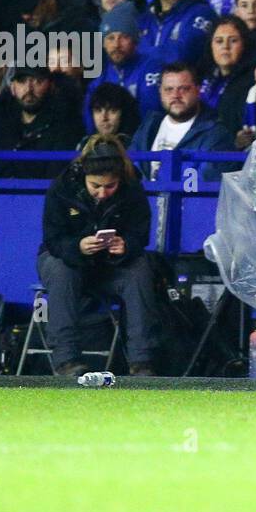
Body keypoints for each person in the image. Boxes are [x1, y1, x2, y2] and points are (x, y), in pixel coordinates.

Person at [37, 135, 159, 376]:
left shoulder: (133, 188)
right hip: (65, 260)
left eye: (110, 186)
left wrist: (126, 246)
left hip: (112, 267)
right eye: (95, 186)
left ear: (119, 179)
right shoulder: (62, 187)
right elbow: (53, 239)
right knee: (62, 270)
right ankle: (66, 360)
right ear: (84, 177)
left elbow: (140, 235)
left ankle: (141, 362)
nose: (102, 193)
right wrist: (78, 247)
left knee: (140, 269)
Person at [129, 62, 232, 181]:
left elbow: (206, 186)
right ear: (160, 92)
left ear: (198, 90)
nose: (176, 95)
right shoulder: (148, 127)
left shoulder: (217, 135)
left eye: (183, 89)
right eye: (169, 89)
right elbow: (129, 170)